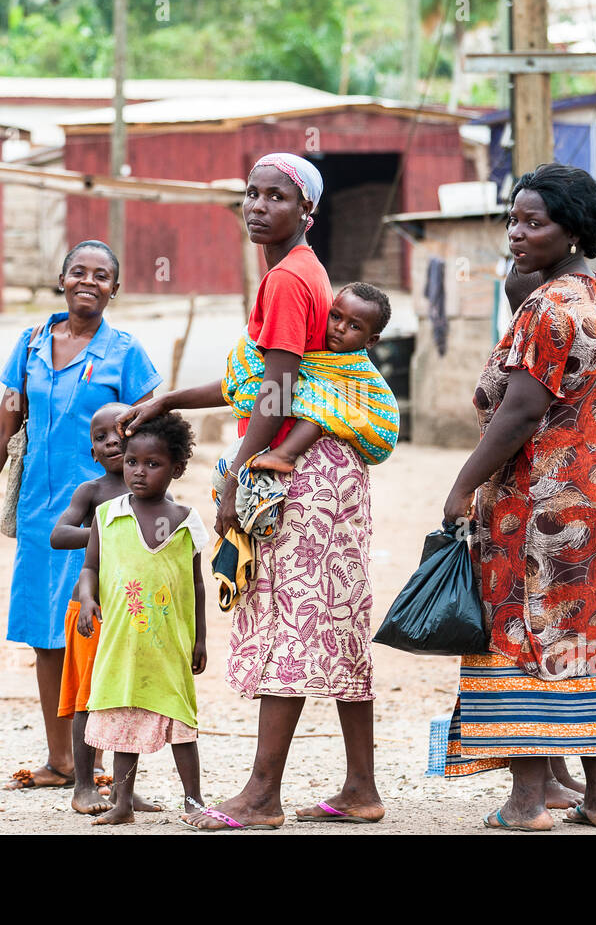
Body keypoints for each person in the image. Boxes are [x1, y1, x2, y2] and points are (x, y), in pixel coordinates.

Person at [122, 153, 385, 830]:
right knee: (335, 623)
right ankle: (361, 786)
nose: (259, 205)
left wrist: (240, 466)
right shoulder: (292, 274)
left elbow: (279, 387)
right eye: (252, 192)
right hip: (325, 470)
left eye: (277, 196)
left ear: (307, 213)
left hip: (302, 472)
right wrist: (173, 397)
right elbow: (257, 375)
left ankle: (262, 794)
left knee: (289, 627)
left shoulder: (290, 278)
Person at [442, 163, 596, 831]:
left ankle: (527, 802)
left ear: (574, 229)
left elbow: (520, 412)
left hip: (541, 502)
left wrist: (463, 482)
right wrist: (514, 292)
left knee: (522, 634)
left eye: (534, 222)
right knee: (591, 636)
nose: (516, 233)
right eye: (513, 219)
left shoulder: (548, 309)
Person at [0, 240, 161, 791]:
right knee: (46, 636)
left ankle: (98, 760)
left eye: (101, 275)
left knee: (93, 632)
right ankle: (60, 760)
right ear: (62, 279)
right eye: (78, 272)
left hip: (105, 518)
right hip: (41, 519)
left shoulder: (126, 352)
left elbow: (152, 437)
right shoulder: (30, 346)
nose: (88, 281)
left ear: (114, 288)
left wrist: (150, 509)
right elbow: (3, 428)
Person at [74, 412, 208, 826]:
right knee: (122, 724)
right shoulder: (108, 515)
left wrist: (200, 640)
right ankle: (122, 803)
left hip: (169, 644)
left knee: (180, 722)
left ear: (177, 469)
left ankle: (194, 801)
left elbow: (196, 585)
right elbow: (90, 567)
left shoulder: (186, 520)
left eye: (153, 465)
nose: (139, 472)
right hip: (121, 643)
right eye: (133, 462)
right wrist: (86, 599)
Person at [47, 402, 129, 815]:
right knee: (88, 699)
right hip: (91, 609)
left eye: (121, 431)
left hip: (135, 609)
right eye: (101, 437)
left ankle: (123, 791)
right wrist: (104, 531)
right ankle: (83, 786)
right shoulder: (92, 492)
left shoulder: (154, 488)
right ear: (92, 452)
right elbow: (59, 534)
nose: (112, 441)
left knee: (128, 697)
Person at [248, 281, 396, 475]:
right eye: (335, 316)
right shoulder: (322, 355)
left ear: (371, 340)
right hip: (358, 427)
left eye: (354, 326)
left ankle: (285, 455)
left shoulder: (354, 366)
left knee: (321, 404)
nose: (340, 328)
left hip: (379, 426)